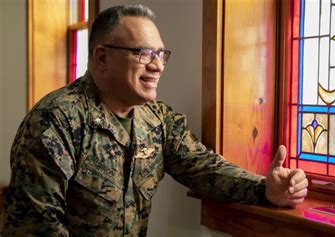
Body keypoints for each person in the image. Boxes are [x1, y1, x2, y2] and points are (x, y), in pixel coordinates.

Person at [3, 4, 308, 236]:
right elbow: (35, 225)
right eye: (144, 53)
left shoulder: (158, 120)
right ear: (101, 57)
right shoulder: (56, 119)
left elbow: (203, 168)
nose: (157, 65)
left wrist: (264, 189)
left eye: (162, 55)